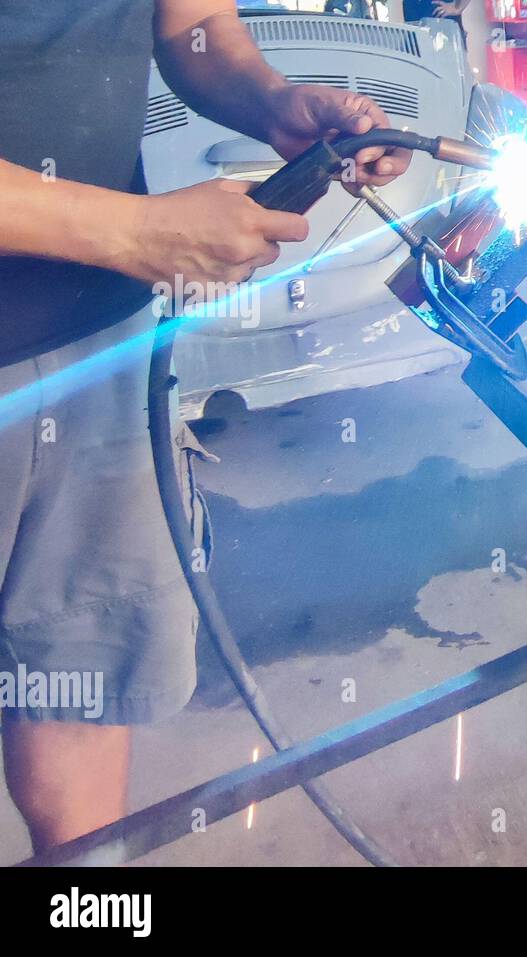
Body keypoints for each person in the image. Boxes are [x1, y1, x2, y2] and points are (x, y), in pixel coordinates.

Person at [0, 0, 410, 854]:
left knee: (85, 674)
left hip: (99, 346)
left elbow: (194, 25)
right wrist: (132, 230)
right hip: (104, 275)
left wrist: (274, 101)